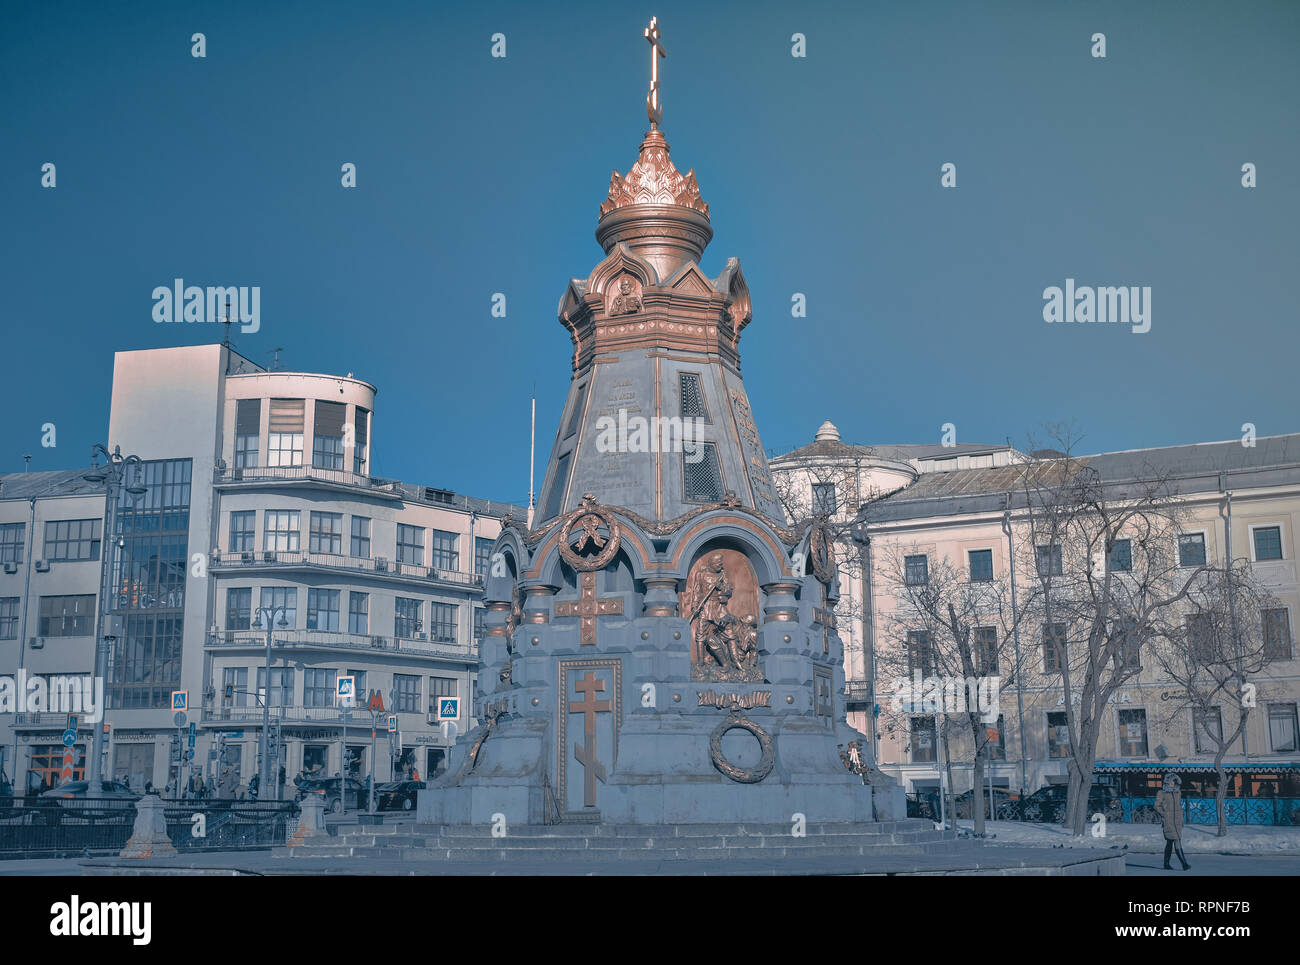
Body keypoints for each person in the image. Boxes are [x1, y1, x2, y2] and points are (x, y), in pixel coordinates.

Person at [1155, 774, 1190, 871]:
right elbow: (1157, 806)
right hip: (1168, 822)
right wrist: (1164, 814)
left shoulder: (1177, 793)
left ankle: (1166, 864)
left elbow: (1178, 806)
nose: (1173, 783)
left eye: (1174, 781)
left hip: (1178, 822)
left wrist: (1181, 816)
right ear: (1167, 782)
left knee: (1170, 842)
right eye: (1171, 781)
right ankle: (1184, 864)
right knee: (1177, 840)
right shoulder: (1162, 793)